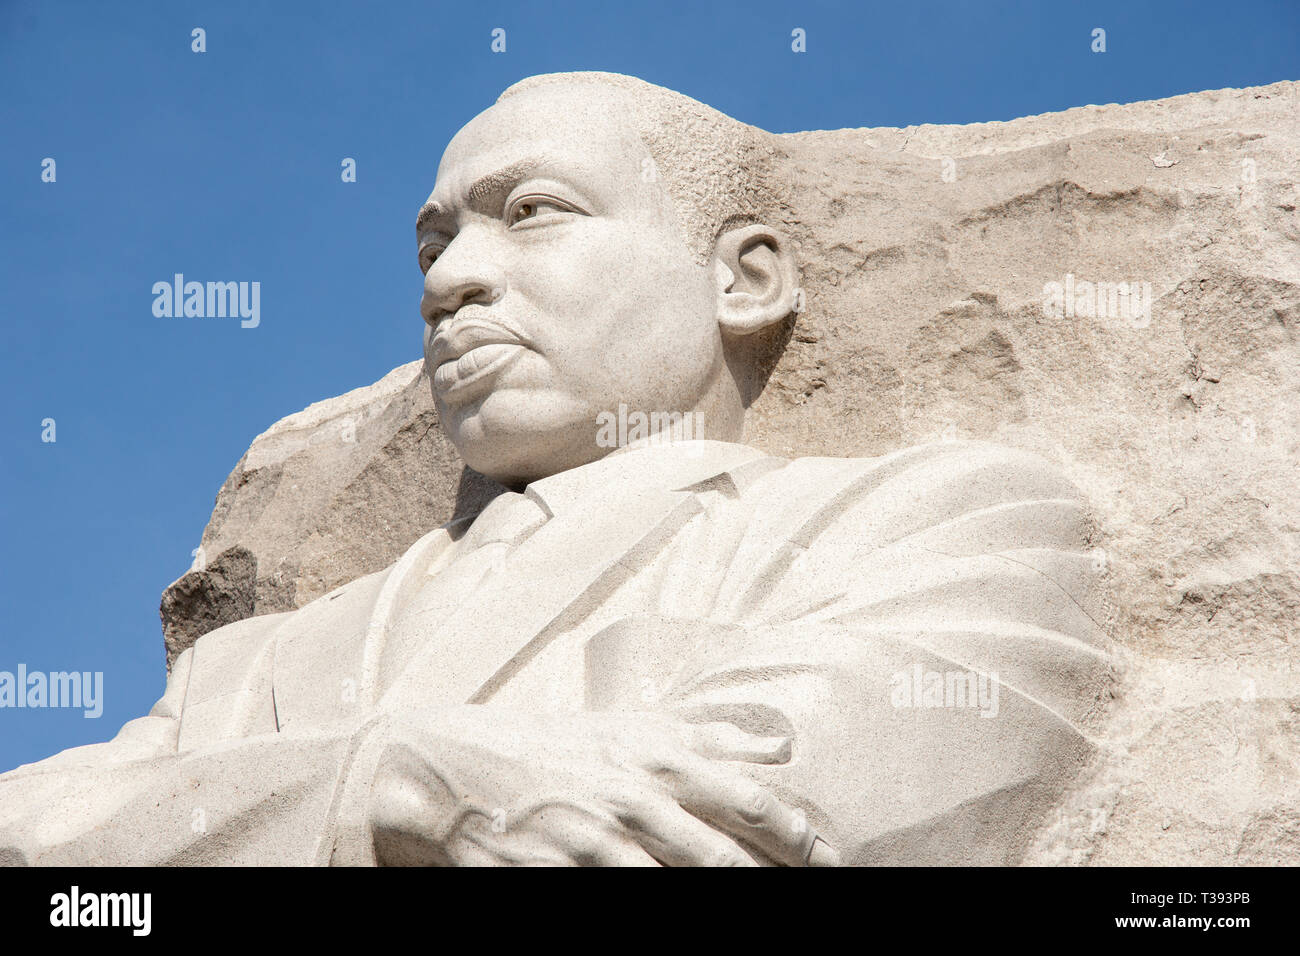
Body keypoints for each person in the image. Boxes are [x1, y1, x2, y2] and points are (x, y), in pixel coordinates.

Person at [0, 73, 1112, 866]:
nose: (450, 283)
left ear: (745, 277)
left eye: (533, 214)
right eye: (434, 246)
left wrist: (229, 815)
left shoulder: (938, 522)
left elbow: (750, 826)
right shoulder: (243, 673)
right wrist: (369, 788)